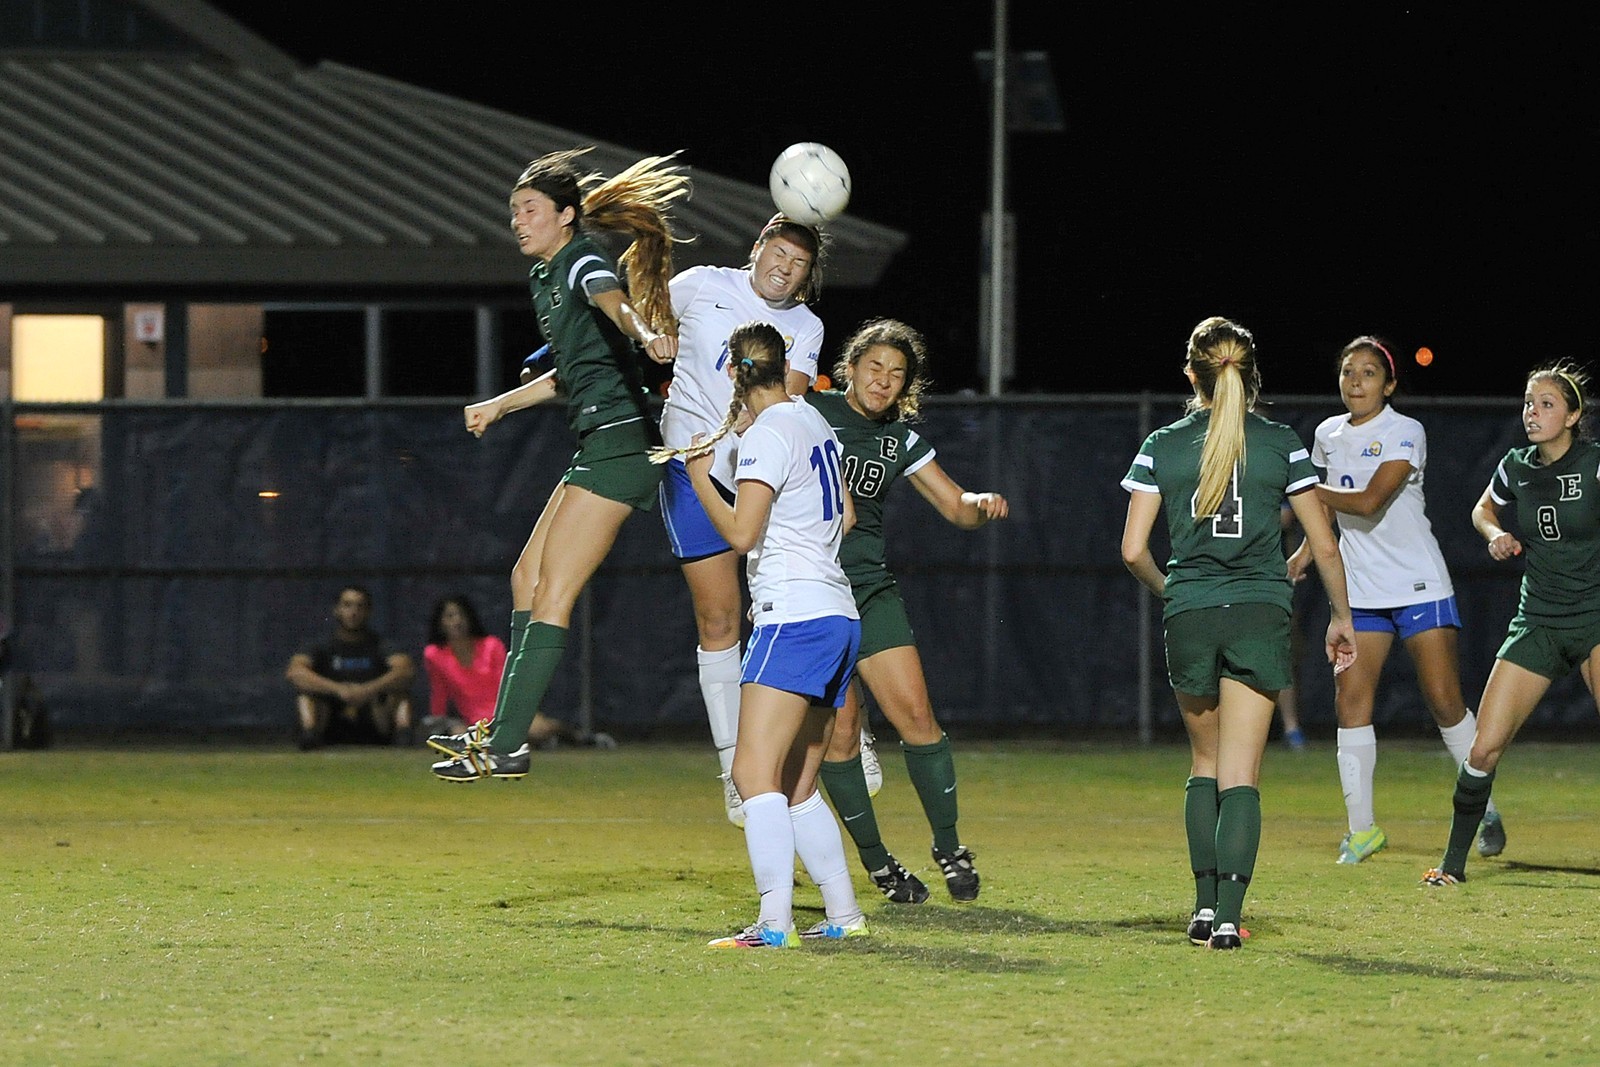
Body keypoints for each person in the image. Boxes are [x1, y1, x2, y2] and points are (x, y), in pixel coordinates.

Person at [428, 147, 686, 781]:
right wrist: (499, 405)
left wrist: (643, 331)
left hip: (623, 447)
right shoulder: (545, 278)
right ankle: (506, 727)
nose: (517, 221)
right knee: (525, 578)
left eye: (530, 209)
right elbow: (568, 375)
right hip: (596, 444)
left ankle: (507, 743)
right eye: (514, 211)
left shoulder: (580, 261)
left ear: (565, 216)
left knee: (553, 594)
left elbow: (610, 298)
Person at [1120, 316, 1358, 950]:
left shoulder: (1162, 444)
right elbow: (1324, 544)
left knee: (1204, 762)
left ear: (1191, 375)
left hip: (1192, 612)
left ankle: (1202, 909)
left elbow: (1133, 550)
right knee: (1241, 773)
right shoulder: (1280, 443)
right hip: (1259, 611)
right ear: (1252, 377)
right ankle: (1228, 918)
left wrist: (1174, 592)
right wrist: (1341, 617)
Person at [650, 213, 882, 825]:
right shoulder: (701, 284)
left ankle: (848, 725)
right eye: (778, 252)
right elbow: (642, 315)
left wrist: (744, 424)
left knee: (800, 602)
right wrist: (649, 333)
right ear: (756, 247)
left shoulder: (805, 325)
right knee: (719, 619)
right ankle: (735, 767)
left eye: (799, 262)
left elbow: (789, 394)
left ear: (808, 276)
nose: (785, 267)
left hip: (766, 473)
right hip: (693, 470)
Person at [657, 320, 868, 947]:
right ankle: (845, 915)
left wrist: (699, 475)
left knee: (753, 775)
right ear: (783, 367)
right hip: (837, 614)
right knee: (797, 786)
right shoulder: (812, 420)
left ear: (732, 371)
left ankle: (774, 925)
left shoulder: (767, 434)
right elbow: (846, 516)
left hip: (794, 618)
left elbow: (741, 534)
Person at [806, 318, 1006, 904]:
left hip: (868, 588)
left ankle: (949, 846)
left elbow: (955, 505)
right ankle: (879, 864)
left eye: (896, 374)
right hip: (808, 591)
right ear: (850, 367)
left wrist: (978, 503)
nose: (883, 381)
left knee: (918, 719)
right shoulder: (808, 410)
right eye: (874, 367)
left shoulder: (900, 439)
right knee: (841, 736)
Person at [1289, 336, 1503, 864]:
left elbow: (1368, 501)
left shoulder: (1406, 431)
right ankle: (1362, 831)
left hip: (1417, 584)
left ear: (1389, 385)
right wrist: (1304, 554)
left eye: (1368, 372)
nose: (1355, 381)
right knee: (1350, 702)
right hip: (1359, 591)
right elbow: (1328, 514)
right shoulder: (1327, 434)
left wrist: (1304, 489)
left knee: (1445, 702)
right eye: (1348, 371)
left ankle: (1484, 807)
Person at [1423, 362, 1600, 887]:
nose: (1532, 413)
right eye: (1528, 403)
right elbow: (1482, 510)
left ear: (1572, 416)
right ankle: (1452, 867)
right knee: (1482, 749)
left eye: (1546, 404)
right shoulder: (1516, 466)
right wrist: (1493, 533)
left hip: (1594, 617)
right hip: (1539, 620)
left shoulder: (1593, 464)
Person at [421, 594, 611, 749]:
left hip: (506, 713)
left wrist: (513, 715)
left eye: (461, 615)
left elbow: (509, 681)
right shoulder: (434, 654)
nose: (457, 621)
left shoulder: (491, 645)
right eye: (450, 616)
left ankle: (580, 738)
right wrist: (439, 724)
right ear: (440, 622)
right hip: (475, 722)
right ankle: (528, 743)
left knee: (539, 728)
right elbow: (439, 692)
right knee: (461, 737)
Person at [286, 585, 416, 749]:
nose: (353, 612)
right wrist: (338, 690)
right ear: (336, 610)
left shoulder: (381, 645)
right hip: (330, 715)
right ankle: (309, 737)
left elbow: (405, 671)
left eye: (360, 606)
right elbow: (295, 672)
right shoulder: (320, 645)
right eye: (347, 605)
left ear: (368, 612)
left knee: (400, 694)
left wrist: (367, 690)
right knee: (305, 696)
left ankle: (403, 739)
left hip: (373, 716)